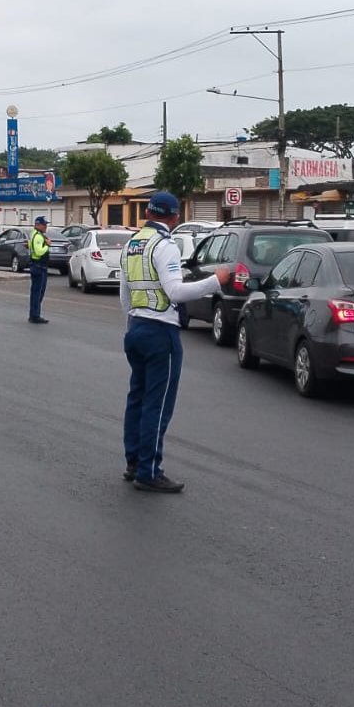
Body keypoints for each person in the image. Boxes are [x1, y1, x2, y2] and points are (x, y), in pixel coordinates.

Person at [119, 192, 231, 493]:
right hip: (160, 332)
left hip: (137, 326)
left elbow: (125, 293)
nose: (178, 218)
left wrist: (132, 323)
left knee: (137, 398)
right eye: (177, 213)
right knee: (157, 403)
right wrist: (215, 280)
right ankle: (148, 469)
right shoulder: (165, 245)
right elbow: (176, 292)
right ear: (171, 216)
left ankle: (133, 461)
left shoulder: (132, 243)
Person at [27, 216, 51, 323]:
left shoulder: (35, 234)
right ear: (38, 225)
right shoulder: (38, 236)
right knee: (38, 292)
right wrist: (47, 245)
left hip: (37, 266)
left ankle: (34, 314)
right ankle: (35, 315)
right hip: (39, 267)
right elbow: (38, 252)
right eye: (44, 224)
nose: (46, 227)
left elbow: (30, 245)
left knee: (36, 292)